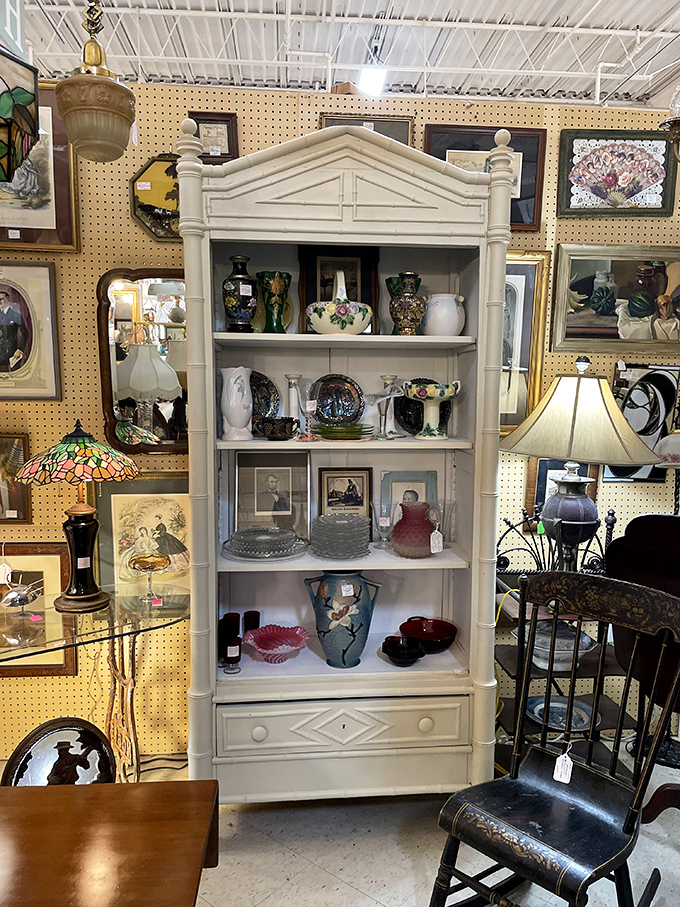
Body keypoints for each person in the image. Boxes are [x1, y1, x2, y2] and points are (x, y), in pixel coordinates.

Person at [0, 289, 28, 372]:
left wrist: (20, 349)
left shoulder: (15, 315)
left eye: (1, 299)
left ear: (8, 300)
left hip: (13, 355)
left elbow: (25, 334)